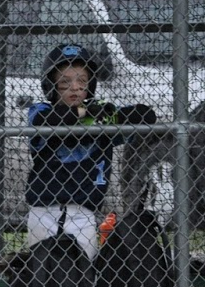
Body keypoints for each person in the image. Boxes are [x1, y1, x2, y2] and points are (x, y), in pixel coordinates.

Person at [26, 43, 156, 260]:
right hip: (44, 211)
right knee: (44, 274)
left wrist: (110, 115)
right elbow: (51, 121)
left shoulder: (101, 122)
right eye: (65, 82)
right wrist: (86, 112)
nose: (75, 87)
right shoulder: (41, 111)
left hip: (84, 213)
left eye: (82, 81)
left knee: (84, 276)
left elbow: (145, 115)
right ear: (51, 85)